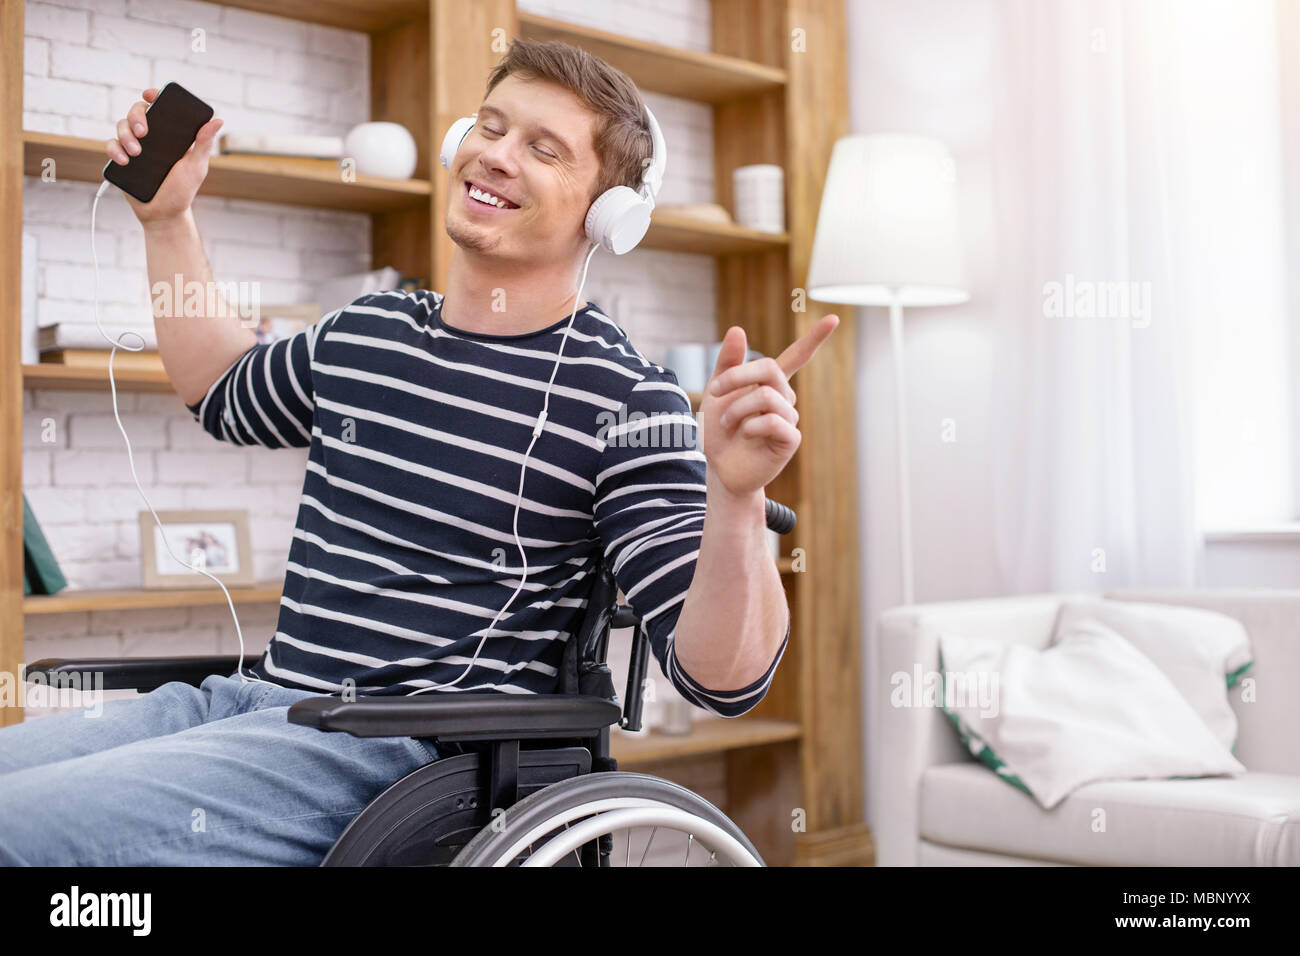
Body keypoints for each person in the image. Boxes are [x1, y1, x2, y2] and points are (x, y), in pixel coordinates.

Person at [0, 38, 837, 866]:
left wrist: (731, 499)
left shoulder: (623, 399)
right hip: (250, 707)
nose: (497, 156)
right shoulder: (372, 328)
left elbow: (723, 680)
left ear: (609, 214)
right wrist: (169, 218)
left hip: (384, 759)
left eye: (542, 149)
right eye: (491, 127)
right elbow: (223, 388)